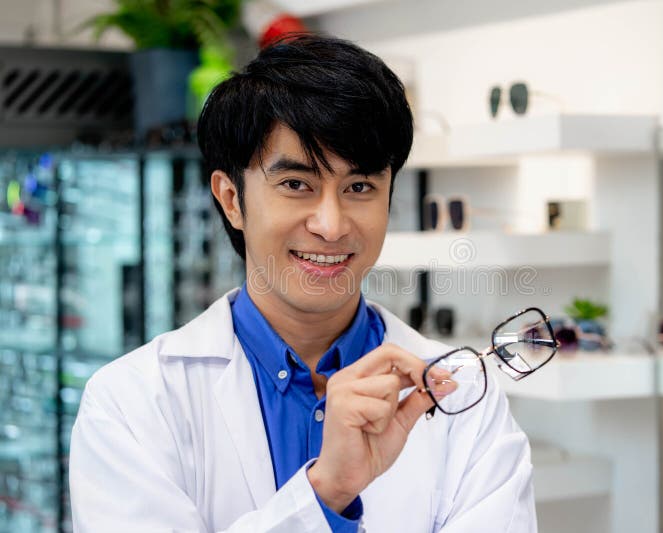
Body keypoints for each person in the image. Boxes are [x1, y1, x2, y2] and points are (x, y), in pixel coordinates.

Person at [69, 34, 537, 532]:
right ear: (231, 198)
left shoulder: (465, 398)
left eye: (359, 187)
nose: (331, 225)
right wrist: (327, 493)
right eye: (296, 184)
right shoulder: (132, 403)